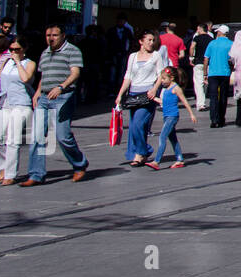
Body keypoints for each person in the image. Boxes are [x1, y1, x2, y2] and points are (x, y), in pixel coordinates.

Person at [22, 25, 90, 186]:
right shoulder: (45, 53)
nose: (50, 38)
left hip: (64, 97)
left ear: (63, 35)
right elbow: (44, 74)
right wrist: (38, 91)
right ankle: (36, 174)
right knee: (37, 137)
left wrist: (61, 87)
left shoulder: (72, 51)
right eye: (47, 35)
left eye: (54, 35)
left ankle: (79, 164)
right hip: (44, 98)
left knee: (62, 136)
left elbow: (75, 73)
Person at [115, 30, 168, 168]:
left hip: (147, 95)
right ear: (141, 41)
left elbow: (161, 75)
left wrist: (154, 89)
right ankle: (141, 152)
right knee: (135, 127)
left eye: (153, 40)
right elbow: (128, 76)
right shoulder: (132, 56)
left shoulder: (156, 56)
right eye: (149, 40)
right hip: (133, 94)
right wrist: (120, 94)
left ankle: (142, 153)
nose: (151, 43)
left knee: (138, 124)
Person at [0, 39, 35, 185]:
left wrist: (18, 62)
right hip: (4, 103)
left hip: (21, 104)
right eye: (11, 49)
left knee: (12, 140)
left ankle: (10, 174)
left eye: (17, 49)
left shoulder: (30, 63)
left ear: (24, 49)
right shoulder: (6, 62)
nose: (13, 52)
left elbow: (26, 78)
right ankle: (3, 165)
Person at [147, 68, 196, 169]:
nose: (162, 81)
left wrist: (192, 114)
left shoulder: (176, 88)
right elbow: (164, 102)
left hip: (172, 116)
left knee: (162, 137)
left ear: (172, 78)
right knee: (173, 138)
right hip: (166, 116)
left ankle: (156, 161)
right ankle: (179, 159)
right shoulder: (166, 89)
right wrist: (154, 98)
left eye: (164, 79)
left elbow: (185, 101)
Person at [204, 26, 234, 127]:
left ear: (220, 32)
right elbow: (233, 59)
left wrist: (205, 73)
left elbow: (206, 59)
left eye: (217, 32)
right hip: (225, 73)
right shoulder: (231, 44)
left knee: (213, 97)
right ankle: (221, 119)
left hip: (213, 73)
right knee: (223, 96)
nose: (217, 33)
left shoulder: (212, 43)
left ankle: (213, 119)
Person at [77, 25, 106, 103]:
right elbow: (101, 54)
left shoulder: (83, 42)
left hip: (86, 64)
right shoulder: (98, 42)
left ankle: (83, 98)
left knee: (85, 82)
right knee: (92, 82)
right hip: (93, 64)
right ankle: (90, 98)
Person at [188, 23, 211, 111]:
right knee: (205, 83)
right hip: (208, 63)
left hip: (198, 62)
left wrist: (191, 58)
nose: (197, 30)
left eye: (198, 28)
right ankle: (203, 101)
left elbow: (192, 47)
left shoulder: (197, 38)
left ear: (201, 29)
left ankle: (201, 104)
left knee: (198, 84)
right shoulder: (211, 39)